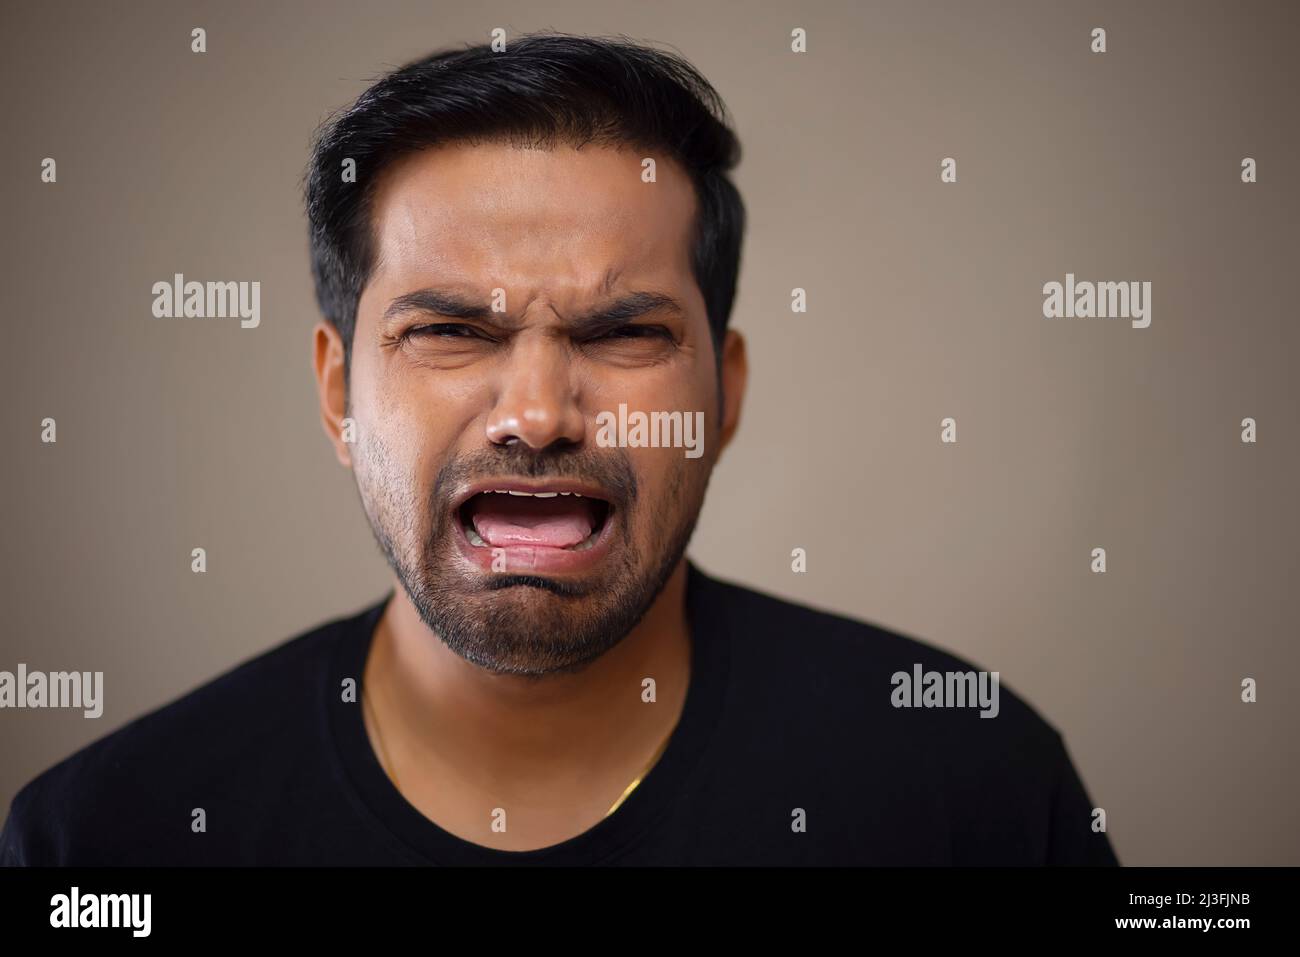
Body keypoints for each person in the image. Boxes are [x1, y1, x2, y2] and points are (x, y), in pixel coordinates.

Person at [0, 32, 1118, 866]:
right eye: (449, 331)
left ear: (722, 396)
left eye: (625, 332)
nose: (536, 414)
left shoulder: (974, 787)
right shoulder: (101, 842)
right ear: (340, 393)